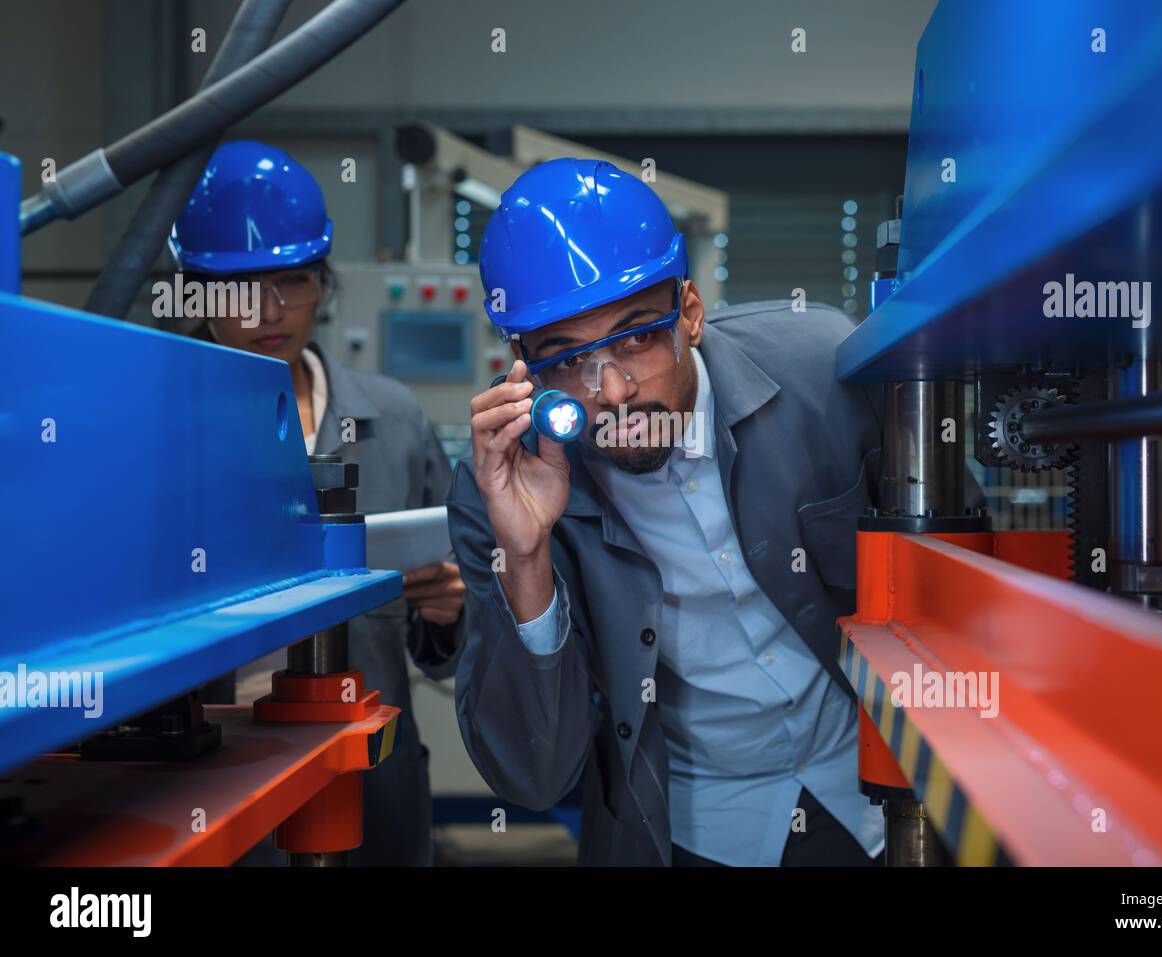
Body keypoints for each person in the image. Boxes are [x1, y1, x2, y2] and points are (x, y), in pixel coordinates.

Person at [447, 158, 890, 866]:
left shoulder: (822, 370)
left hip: (870, 789)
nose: (613, 391)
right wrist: (526, 557)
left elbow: (955, 580)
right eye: (566, 360)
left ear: (688, 312)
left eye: (635, 338)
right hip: (691, 824)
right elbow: (532, 776)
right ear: (521, 364)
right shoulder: (494, 487)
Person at [171, 140, 466, 866]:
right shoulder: (161, 430)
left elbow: (443, 646)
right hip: (209, 781)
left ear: (323, 283)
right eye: (240, 289)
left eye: (293, 280)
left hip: (367, 777)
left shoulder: (393, 418)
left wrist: (450, 606)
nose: (270, 310)